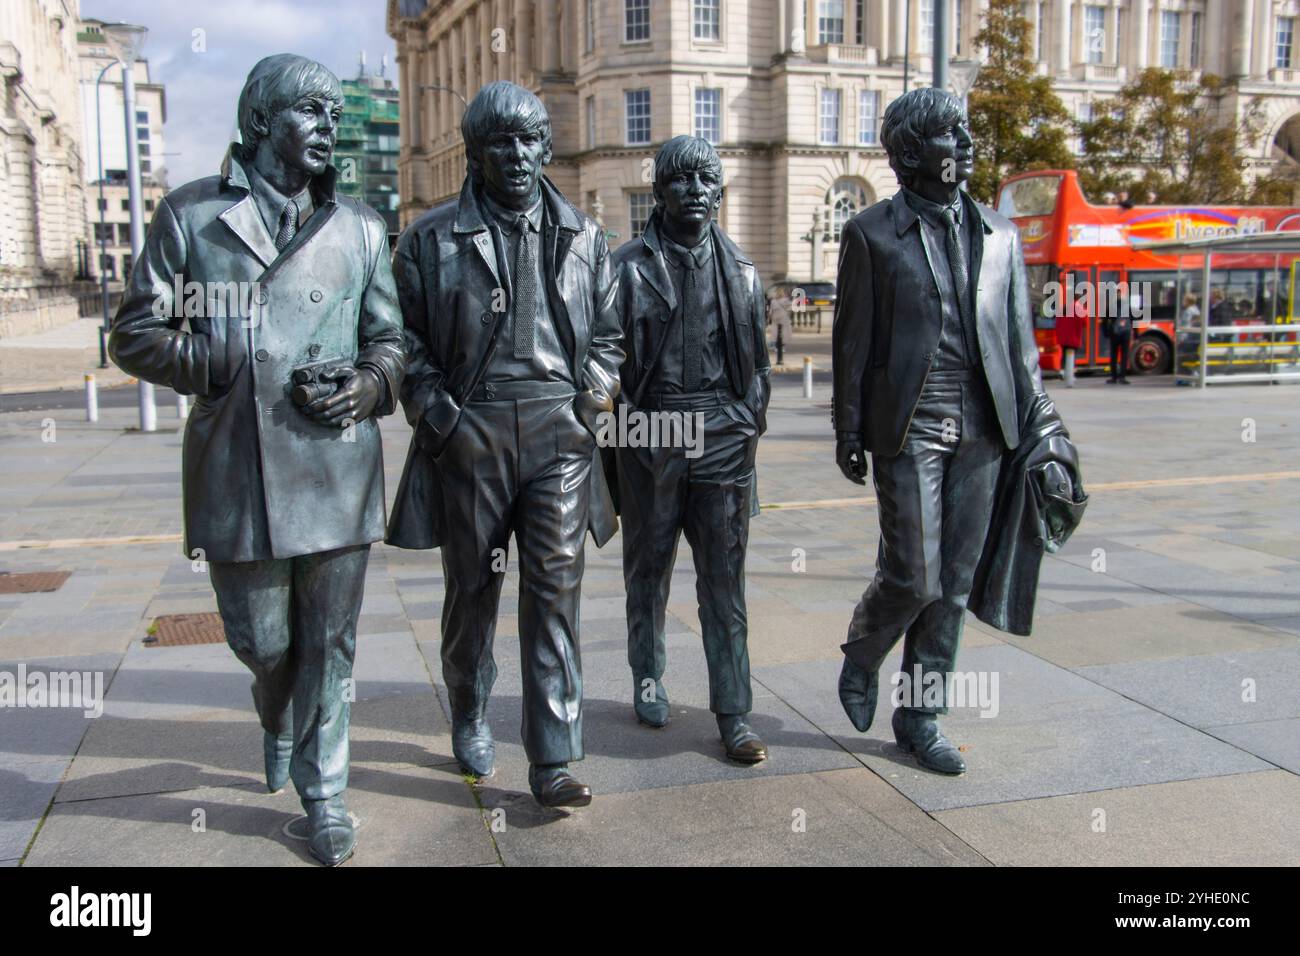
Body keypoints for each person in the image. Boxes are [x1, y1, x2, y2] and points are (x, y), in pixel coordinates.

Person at [109, 54, 405, 866]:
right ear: (260, 122)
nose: (327, 128)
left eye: (334, 115)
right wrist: (210, 358)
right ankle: (275, 712)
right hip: (240, 472)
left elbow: (391, 339)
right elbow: (133, 332)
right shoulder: (191, 216)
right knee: (265, 640)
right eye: (310, 112)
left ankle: (326, 791)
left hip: (337, 467)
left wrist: (371, 381)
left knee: (332, 644)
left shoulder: (361, 227)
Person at [385, 82, 623, 809]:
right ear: (475, 153)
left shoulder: (585, 236)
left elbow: (611, 337)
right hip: (474, 432)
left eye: (527, 140)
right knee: (473, 594)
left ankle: (552, 758)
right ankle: (468, 707)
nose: (516, 155)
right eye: (499, 142)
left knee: (556, 593)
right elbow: (403, 341)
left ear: (545, 147)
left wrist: (594, 399)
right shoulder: (431, 239)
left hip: (560, 433)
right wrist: (440, 417)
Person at [831, 88, 1073, 775]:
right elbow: (853, 342)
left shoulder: (1000, 234)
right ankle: (863, 649)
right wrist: (848, 427)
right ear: (911, 152)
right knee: (913, 574)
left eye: (964, 133)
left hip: (985, 428)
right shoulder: (872, 233)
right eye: (948, 135)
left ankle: (921, 713)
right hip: (908, 423)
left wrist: (1042, 428)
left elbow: (1020, 348)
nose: (963, 145)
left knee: (955, 584)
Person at [609, 135, 771, 763]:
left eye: (706, 180)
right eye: (682, 180)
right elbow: (605, 357)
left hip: (722, 433)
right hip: (651, 432)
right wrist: (625, 425)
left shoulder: (744, 271)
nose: (696, 191)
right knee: (647, 569)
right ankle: (648, 679)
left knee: (724, 580)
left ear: (720, 192)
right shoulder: (626, 267)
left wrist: (745, 420)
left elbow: (757, 365)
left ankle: (733, 712)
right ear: (660, 190)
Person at [1056, 274, 1087, 388]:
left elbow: (1058, 320)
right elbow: (1084, 321)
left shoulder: (1065, 306)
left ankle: (1063, 371)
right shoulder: (1079, 307)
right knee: (1071, 355)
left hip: (1064, 336)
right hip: (1073, 336)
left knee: (1065, 354)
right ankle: (1070, 375)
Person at [1102, 283, 1133, 384]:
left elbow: (1104, 321)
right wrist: (1134, 333)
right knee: (1124, 355)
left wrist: (1106, 332)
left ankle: (1114, 377)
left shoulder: (1111, 306)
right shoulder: (1127, 306)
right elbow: (1132, 320)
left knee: (1114, 355)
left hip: (1114, 334)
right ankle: (1122, 377)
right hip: (1126, 333)